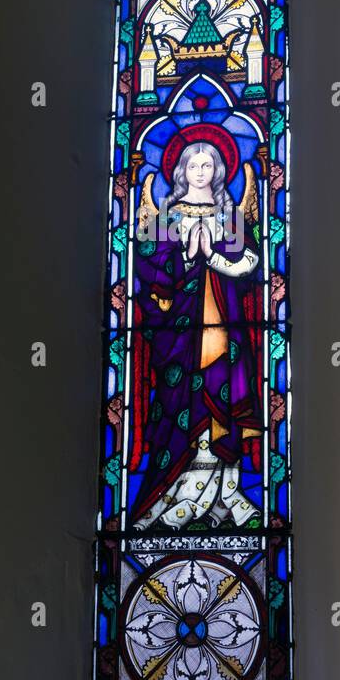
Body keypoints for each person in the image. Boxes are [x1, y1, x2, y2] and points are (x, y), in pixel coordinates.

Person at [131, 138, 263, 531]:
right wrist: (188, 257)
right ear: (181, 172)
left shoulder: (230, 218)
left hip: (224, 325)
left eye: (208, 165)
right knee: (179, 406)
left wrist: (215, 259)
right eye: (193, 166)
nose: (201, 172)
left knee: (222, 402)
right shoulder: (166, 219)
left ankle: (224, 495)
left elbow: (251, 262)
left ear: (220, 171)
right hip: (179, 334)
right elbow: (148, 267)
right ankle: (178, 497)